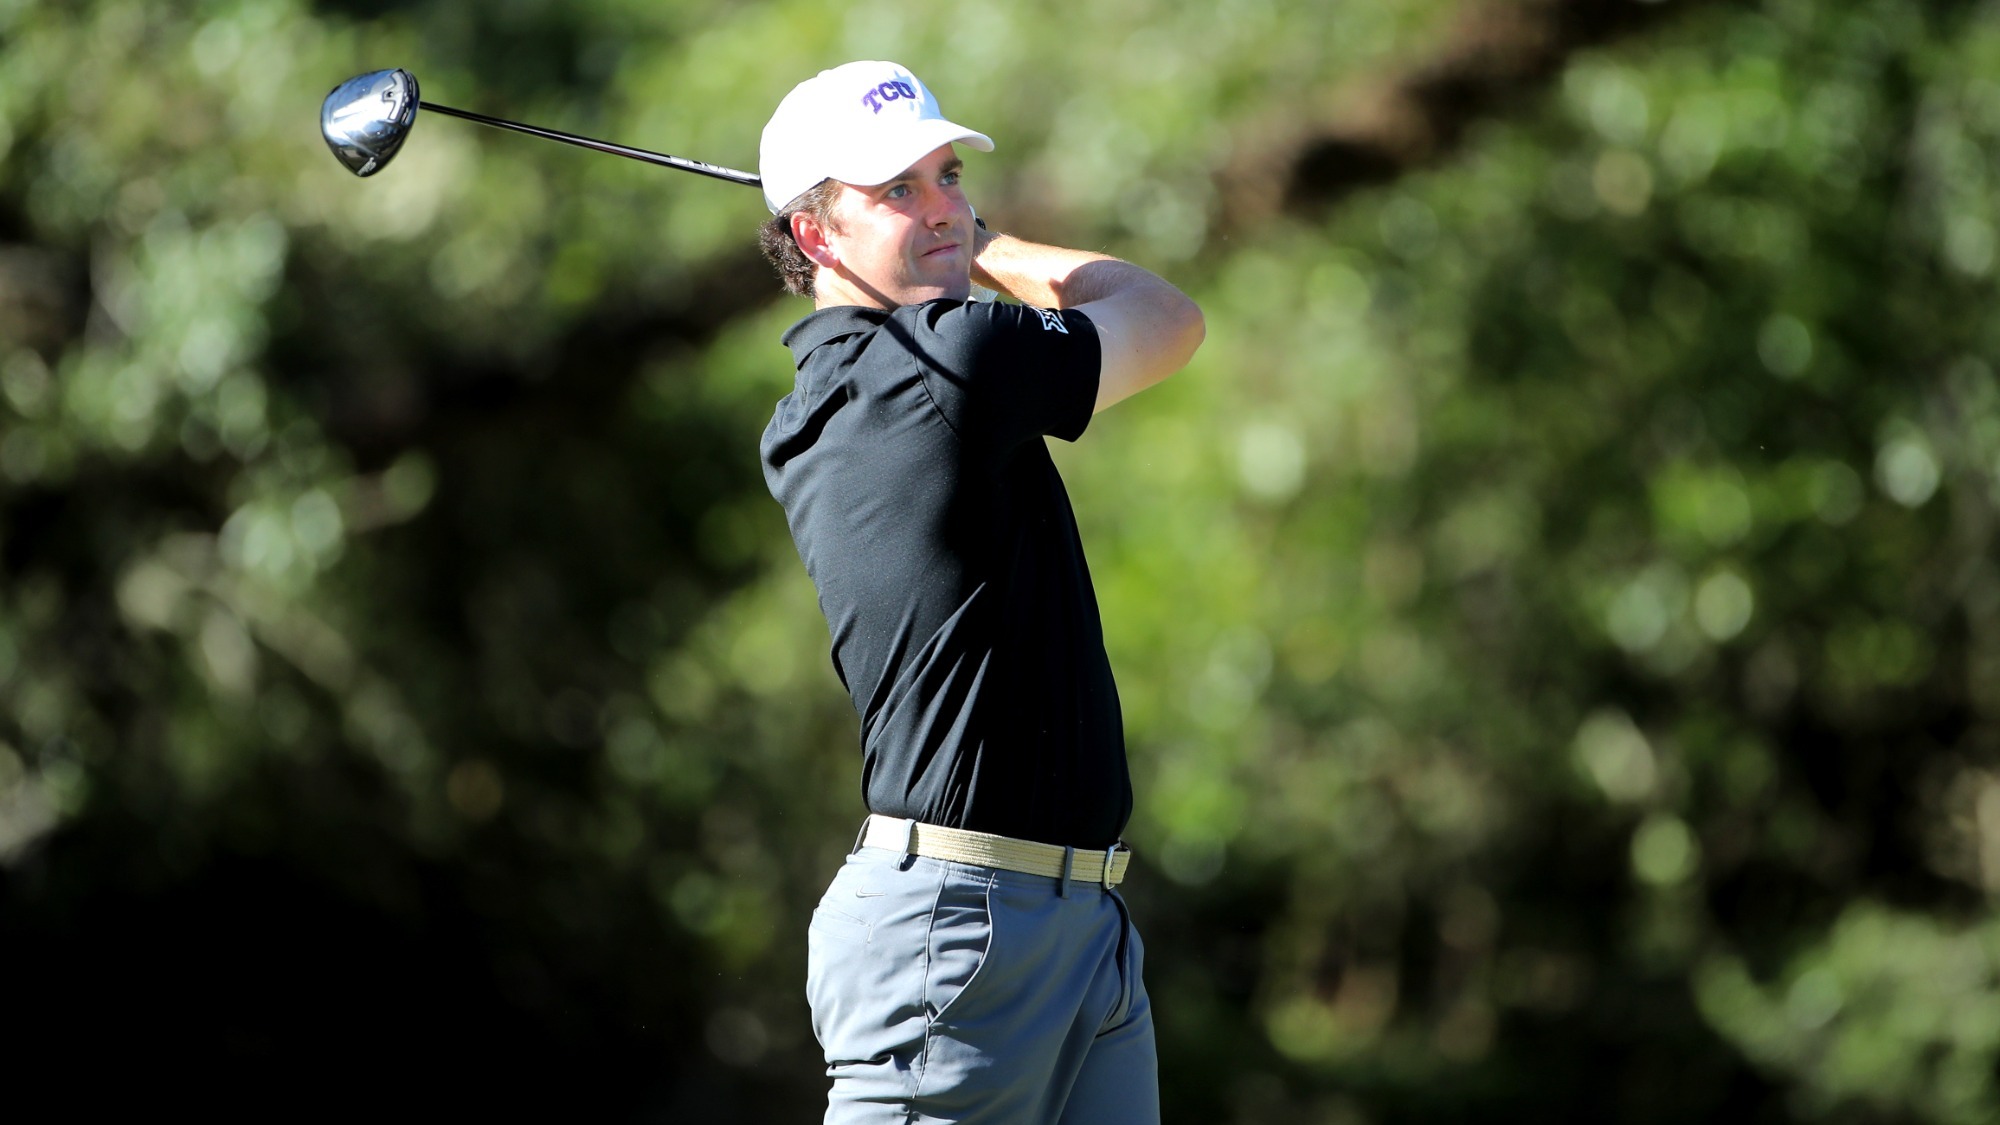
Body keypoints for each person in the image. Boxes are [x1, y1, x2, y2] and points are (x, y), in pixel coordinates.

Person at [755, 60, 1205, 1125]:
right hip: (959, 933)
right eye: (898, 190)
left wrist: (937, 240)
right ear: (816, 236)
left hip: (1076, 919)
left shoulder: (833, 394)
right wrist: (990, 249)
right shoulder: (944, 360)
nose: (944, 207)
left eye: (949, 177)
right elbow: (1163, 314)